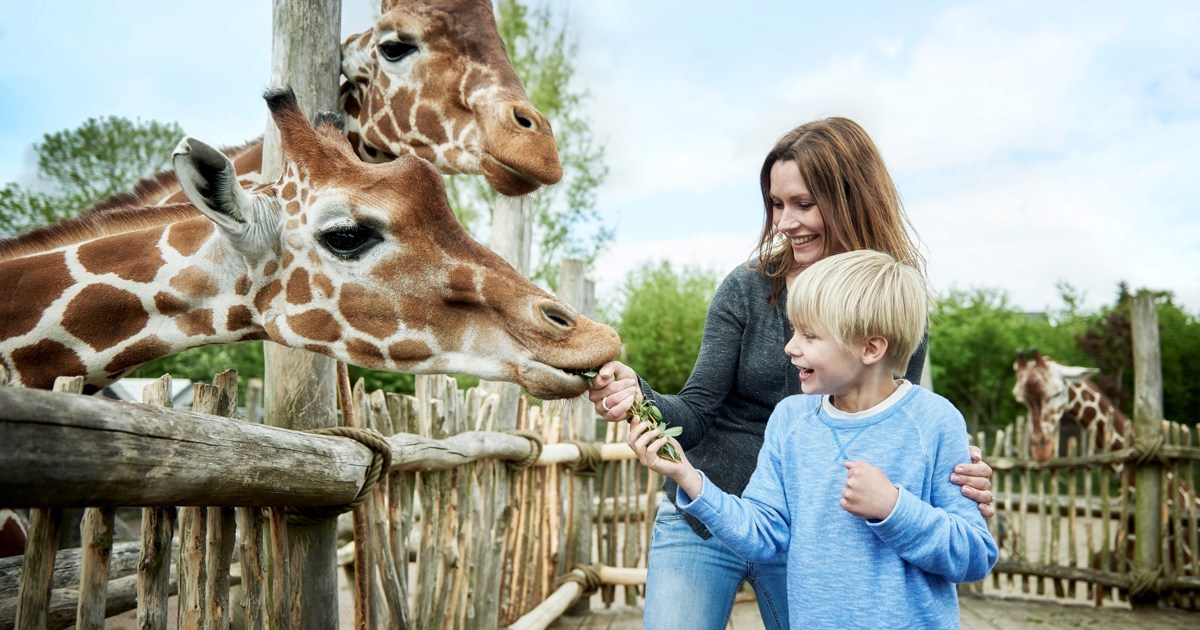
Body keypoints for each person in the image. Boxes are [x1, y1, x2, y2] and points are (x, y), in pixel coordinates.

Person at [587, 117, 996, 629]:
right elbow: (695, 412)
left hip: (814, 529)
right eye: (776, 204)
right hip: (708, 512)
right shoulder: (745, 288)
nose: (784, 222)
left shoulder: (893, 305)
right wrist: (639, 396)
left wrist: (950, 471)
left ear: (851, 199)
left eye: (803, 204)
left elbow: (889, 418)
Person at [628, 249, 999, 629]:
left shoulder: (935, 422)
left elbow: (974, 556)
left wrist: (893, 507)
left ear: (871, 348)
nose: (791, 347)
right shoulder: (790, 420)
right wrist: (687, 475)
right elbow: (762, 533)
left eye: (809, 335)